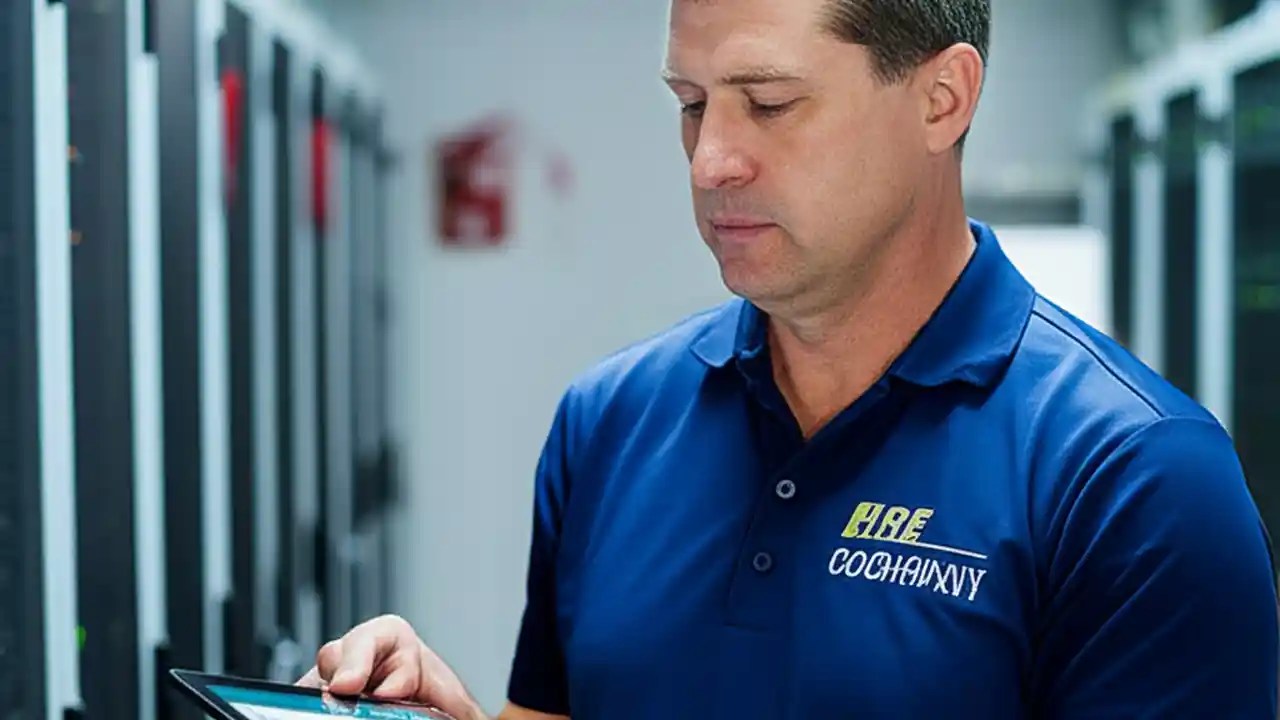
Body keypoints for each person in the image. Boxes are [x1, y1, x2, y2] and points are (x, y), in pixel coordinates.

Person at [298, 0, 1280, 717]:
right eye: (690, 103)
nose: (708, 159)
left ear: (941, 99)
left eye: (766, 104)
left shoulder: (1134, 480)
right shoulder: (607, 423)